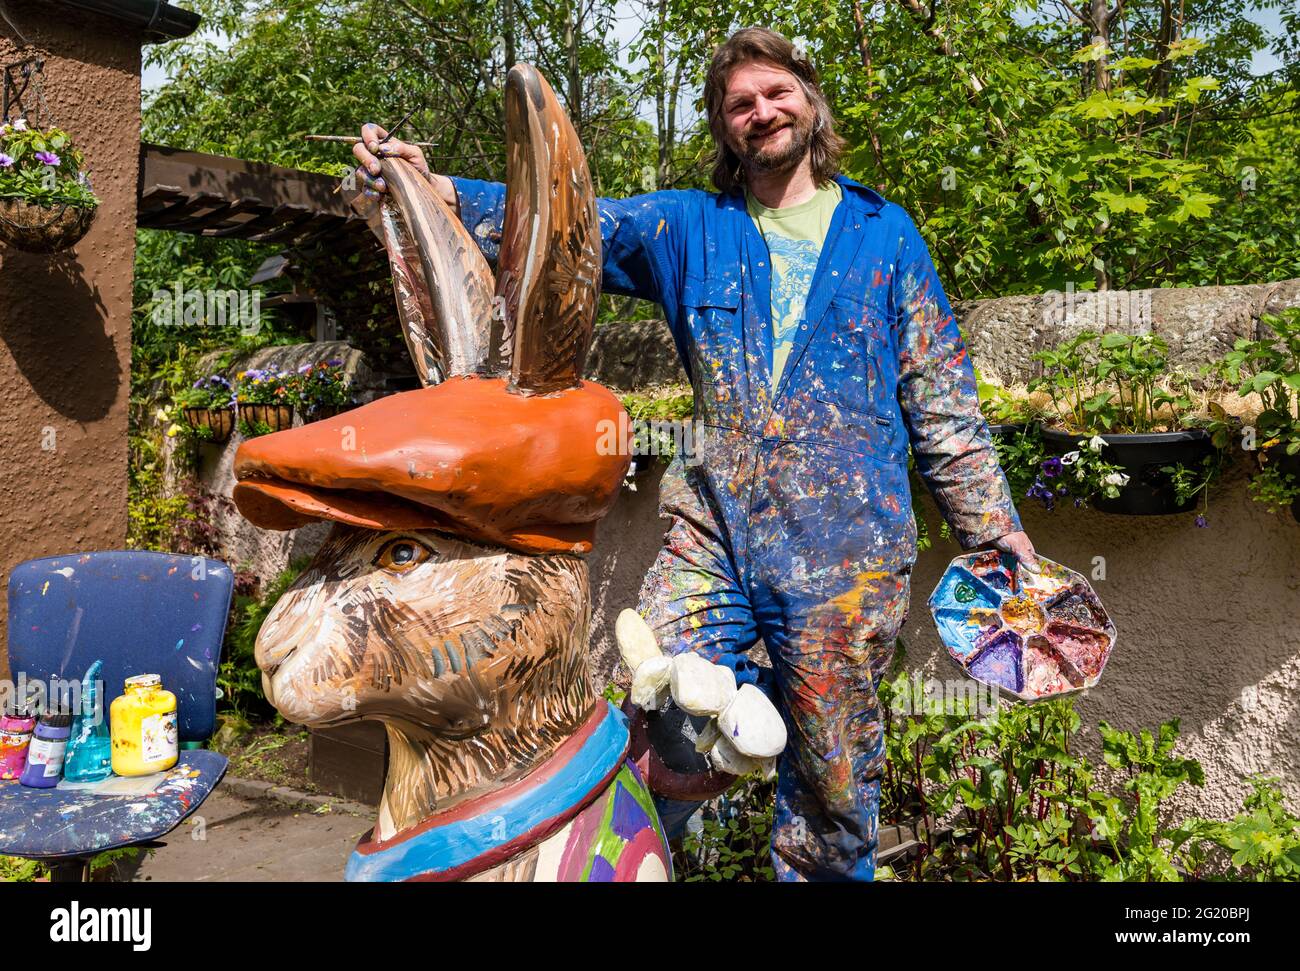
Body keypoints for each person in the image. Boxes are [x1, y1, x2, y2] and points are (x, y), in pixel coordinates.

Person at [354, 26, 1038, 882]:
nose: (763, 113)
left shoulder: (885, 235)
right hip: (711, 534)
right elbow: (565, 227)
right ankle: (635, 865)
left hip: (846, 559)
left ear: (809, 101)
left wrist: (992, 526)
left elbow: (941, 395)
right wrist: (432, 184)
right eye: (740, 104)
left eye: (776, 93)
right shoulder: (689, 227)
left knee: (832, 786)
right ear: (724, 127)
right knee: (657, 714)